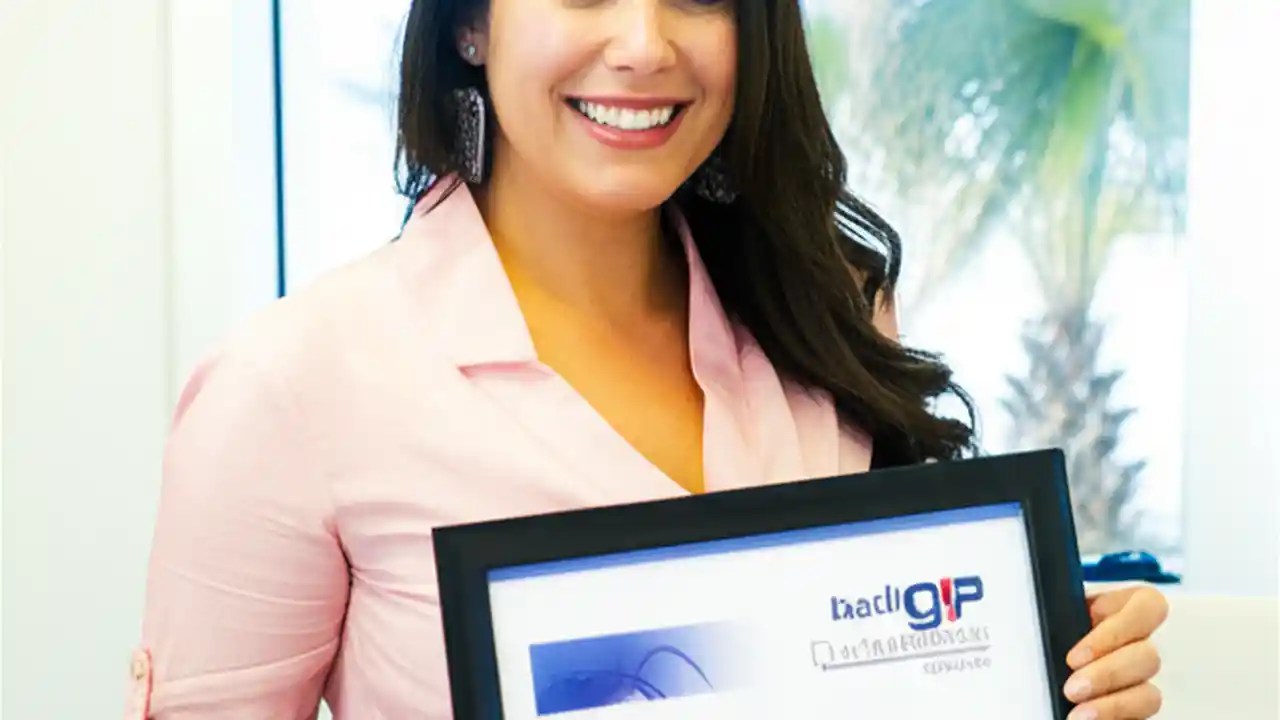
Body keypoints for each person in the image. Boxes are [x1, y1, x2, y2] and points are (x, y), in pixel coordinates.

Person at [126, 0, 1168, 718]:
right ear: (469, 24)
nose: (643, 44)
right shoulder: (291, 385)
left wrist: (1053, 669)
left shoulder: (830, 310)